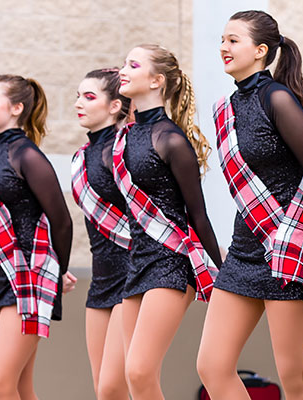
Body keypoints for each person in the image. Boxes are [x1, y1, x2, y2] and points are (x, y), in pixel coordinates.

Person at [196, 11, 303, 400]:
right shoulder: (225, 107)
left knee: (296, 378)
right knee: (211, 366)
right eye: (222, 39)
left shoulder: (276, 98)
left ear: (260, 51)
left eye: (234, 40)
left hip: (290, 245)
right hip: (244, 250)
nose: (223, 47)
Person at [113, 44, 222, 399]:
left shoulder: (171, 139)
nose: (122, 70)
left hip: (171, 262)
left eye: (133, 64)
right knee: (136, 380)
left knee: (139, 369)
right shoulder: (126, 138)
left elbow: (198, 214)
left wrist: (221, 275)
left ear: (157, 80)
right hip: (137, 261)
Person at [0, 74, 73, 400]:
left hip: (29, 275)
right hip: (3, 277)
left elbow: (61, 220)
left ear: (17, 108)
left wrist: (58, 270)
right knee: (17, 385)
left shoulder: (26, 155)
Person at [71, 68, 132, 400]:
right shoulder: (81, 157)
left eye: (89, 97)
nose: (80, 103)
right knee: (103, 389)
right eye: (78, 96)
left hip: (133, 274)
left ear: (114, 106)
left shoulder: (126, 149)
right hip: (101, 278)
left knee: (112, 385)